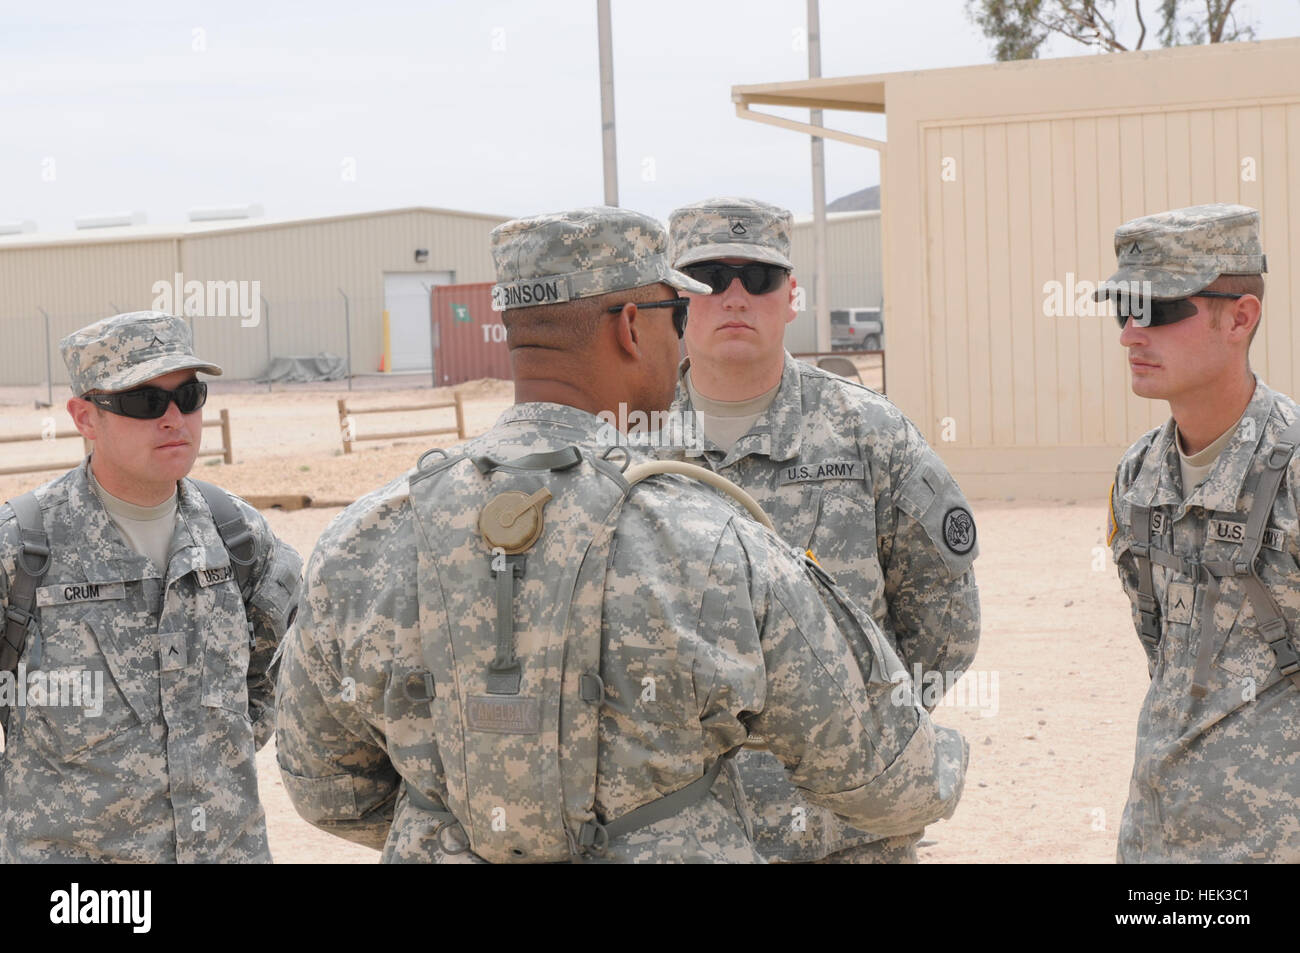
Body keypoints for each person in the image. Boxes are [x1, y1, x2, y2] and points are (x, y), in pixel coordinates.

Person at [275, 205, 969, 863]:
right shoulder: (712, 540)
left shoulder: (362, 540)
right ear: (632, 327)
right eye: (677, 311)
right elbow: (884, 776)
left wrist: (465, 819)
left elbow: (325, 785)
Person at [660, 197, 981, 864]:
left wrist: (867, 735)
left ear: (791, 296)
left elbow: (944, 622)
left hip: (846, 837)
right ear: (677, 302)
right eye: (710, 277)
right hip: (686, 838)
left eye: (761, 277)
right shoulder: (633, 446)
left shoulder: (871, 434)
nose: (736, 296)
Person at [0, 311, 302, 863]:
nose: (174, 419)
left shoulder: (237, 534)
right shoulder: (21, 549)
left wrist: (211, 749)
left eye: (188, 396)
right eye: (144, 402)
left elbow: (279, 670)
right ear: (85, 417)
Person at [1103, 203, 1300, 863]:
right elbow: (1166, 659)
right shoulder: (1137, 479)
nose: (1131, 333)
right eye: (1123, 307)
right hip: (1158, 846)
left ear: (1240, 317)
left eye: (1157, 309)